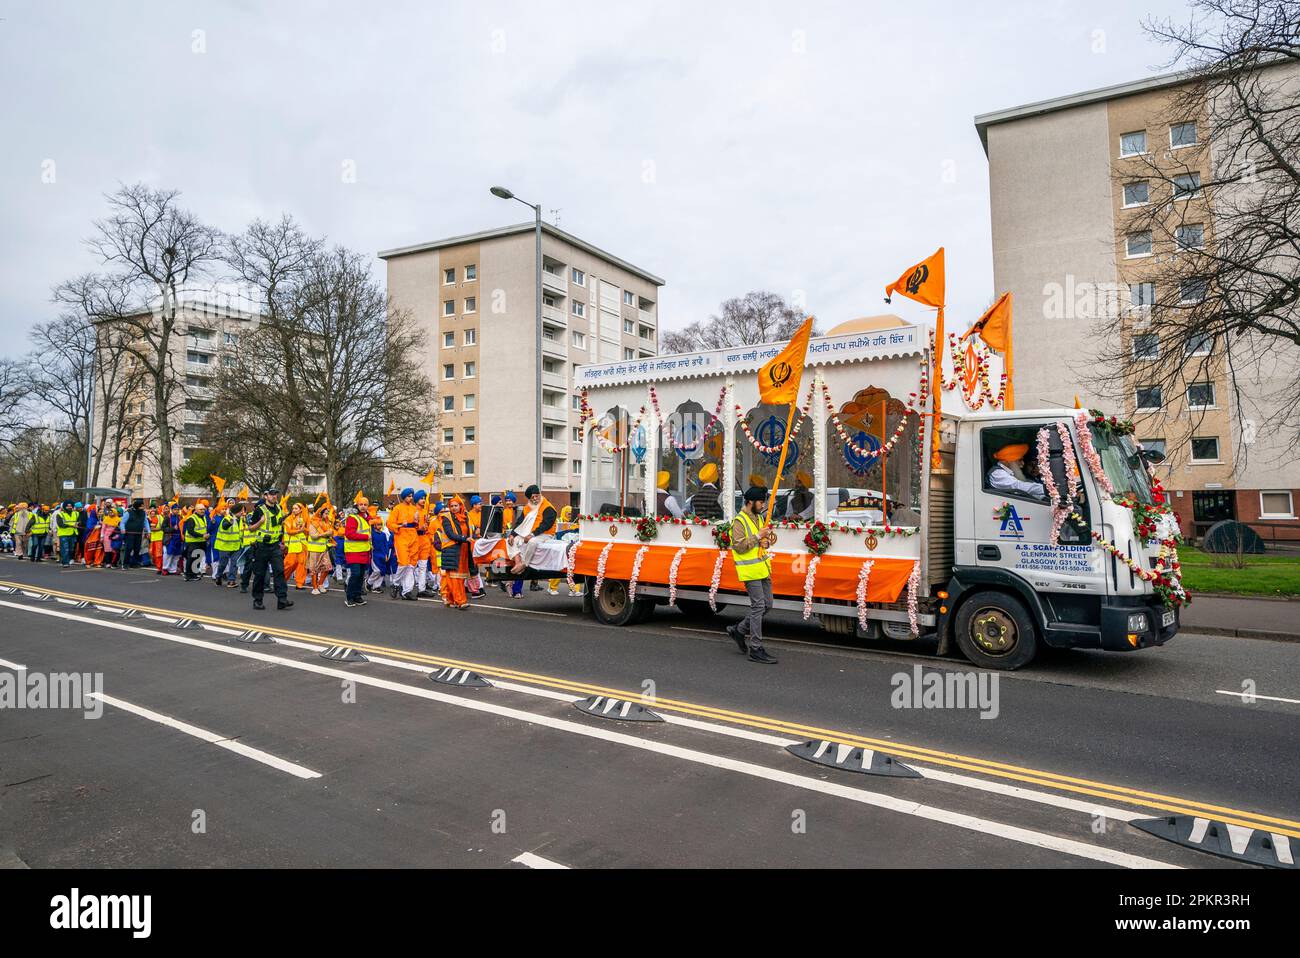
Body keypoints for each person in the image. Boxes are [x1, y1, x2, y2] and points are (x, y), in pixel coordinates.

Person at [725, 486, 779, 665]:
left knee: (767, 605)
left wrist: (765, 541)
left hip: (763, 567)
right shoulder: (739, 521)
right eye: (760, 501)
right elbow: (739, 546)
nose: (763, 505)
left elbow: (760, 543)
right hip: (749, 570)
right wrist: (758, 536)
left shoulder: (759, 517)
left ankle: (738, 630)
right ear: (750, 502)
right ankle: (756, 648)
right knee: (758, 607)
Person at [246, 488, 292, 611]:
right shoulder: (259, 510)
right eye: (271, 494)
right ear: (266, 496)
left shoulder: (279, 509)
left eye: (275, 494)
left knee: (279, 572)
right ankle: (258, 600)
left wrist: (281, 542)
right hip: (261, 546)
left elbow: (279, 526)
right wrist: (260, 523)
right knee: (260, 574)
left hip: (275, 546)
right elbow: (250, 528)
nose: (274, 496)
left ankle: (282, 600)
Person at [508, 485, 556, 576]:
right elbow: (520, 522)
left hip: (545, 534)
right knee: (510, 540)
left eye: (536, 496)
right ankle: (518, 561)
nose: (535, 499)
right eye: (532, 497)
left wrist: (532, 535)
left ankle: (524, 564)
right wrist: (512, 534)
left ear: (540, 494)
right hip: (528, 533)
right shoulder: (528, 507)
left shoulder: (548, 507)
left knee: (532, 542)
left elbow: (546, 525)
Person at [439, 497, 474, 610]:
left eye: (456, 506)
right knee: (455, 577)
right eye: (452, 506)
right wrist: (464, 538)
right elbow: (450, 534)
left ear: (460, 506)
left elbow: (470, 531)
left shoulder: (466, 517)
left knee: (459, 577)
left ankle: (450, 599)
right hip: (452, 549)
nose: (454, 508)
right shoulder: (446, 518)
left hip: (463, 549)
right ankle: (460, 601)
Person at [387, 488, 421, 601]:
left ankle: (407, 591)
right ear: (404, 497)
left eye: (412, 496)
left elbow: (417, 525)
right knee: (403, 563)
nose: (411, 498)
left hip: (413, 536)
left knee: (411, 565)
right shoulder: (397, 508)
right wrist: (400, 525)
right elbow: (389, 523)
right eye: (409, 496)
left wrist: (417, 523)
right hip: (402, 536)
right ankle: (396, 584)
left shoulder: (414, 508)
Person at [342, 500, 372, 608]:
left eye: (365, 505)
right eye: (361, 505)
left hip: (364, 551)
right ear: (357, 506)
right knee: (355, 574)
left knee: (360, 575)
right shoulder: (353, 517)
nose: (363, 506)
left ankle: (357, 596)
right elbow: (349, 534)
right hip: (353, 551)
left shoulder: (367, 518)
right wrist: (366, 537)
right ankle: (349, 597)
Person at [213, 502, 244, 587]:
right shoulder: (227, 519)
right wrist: (230, 522)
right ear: (236, 512)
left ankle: (231, 581)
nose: (242, 512)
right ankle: (218, 576)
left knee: (234, 563)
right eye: (241, 511)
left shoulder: (240, 520)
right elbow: (224, 526)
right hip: (225, 546)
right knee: (223, 564)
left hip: (236, 546)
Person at [306, 504, 334, 594]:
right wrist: (325, 534)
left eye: (328, 513)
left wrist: (328, 533)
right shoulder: (313, 522)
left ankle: (320, 584)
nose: (327, 515)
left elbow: (331, 533)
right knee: (314, 570)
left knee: (327, 568)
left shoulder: (326, 522)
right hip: (314, 549)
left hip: (324, 548)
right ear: (320, 514)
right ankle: (314, 588)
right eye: (326, 513)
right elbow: (313, 536)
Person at [182, 501, 209, 580]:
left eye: (204, 509)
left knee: (198, 558)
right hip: (193, 542)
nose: (203, 511)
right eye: (201, 509)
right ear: (196, 510)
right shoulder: (191, 519)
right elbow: (190, 531)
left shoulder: (203, 517)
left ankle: (194, 574)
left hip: (201, 541)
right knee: (192, 558)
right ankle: (188, 575)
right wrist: (202, 535)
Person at [120, 499, 148, 570]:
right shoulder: (128, 512)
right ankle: (125, 564)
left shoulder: (143, 513)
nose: (143, 507)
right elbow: (122, 522)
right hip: (129, 533)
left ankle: (134, 563)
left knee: (137, 549)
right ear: (138, 505)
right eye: (142, 505)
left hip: (139, 533)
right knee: (128, 548)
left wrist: (148, 531)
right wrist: (122, 529)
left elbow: (146, 523)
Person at [53, 501, 79, 567]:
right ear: (65, 507)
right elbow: (60, 524)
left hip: (73, 534)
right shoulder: (60, 514)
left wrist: (78, 523)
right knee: (65, 548)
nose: (69, 507)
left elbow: (79, 521)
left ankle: (67, 560)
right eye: (68, 506)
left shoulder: (76, 513)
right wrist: (72, 525)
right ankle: (65, 562)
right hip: (63, 534)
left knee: (71, 549)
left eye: (70, 506)